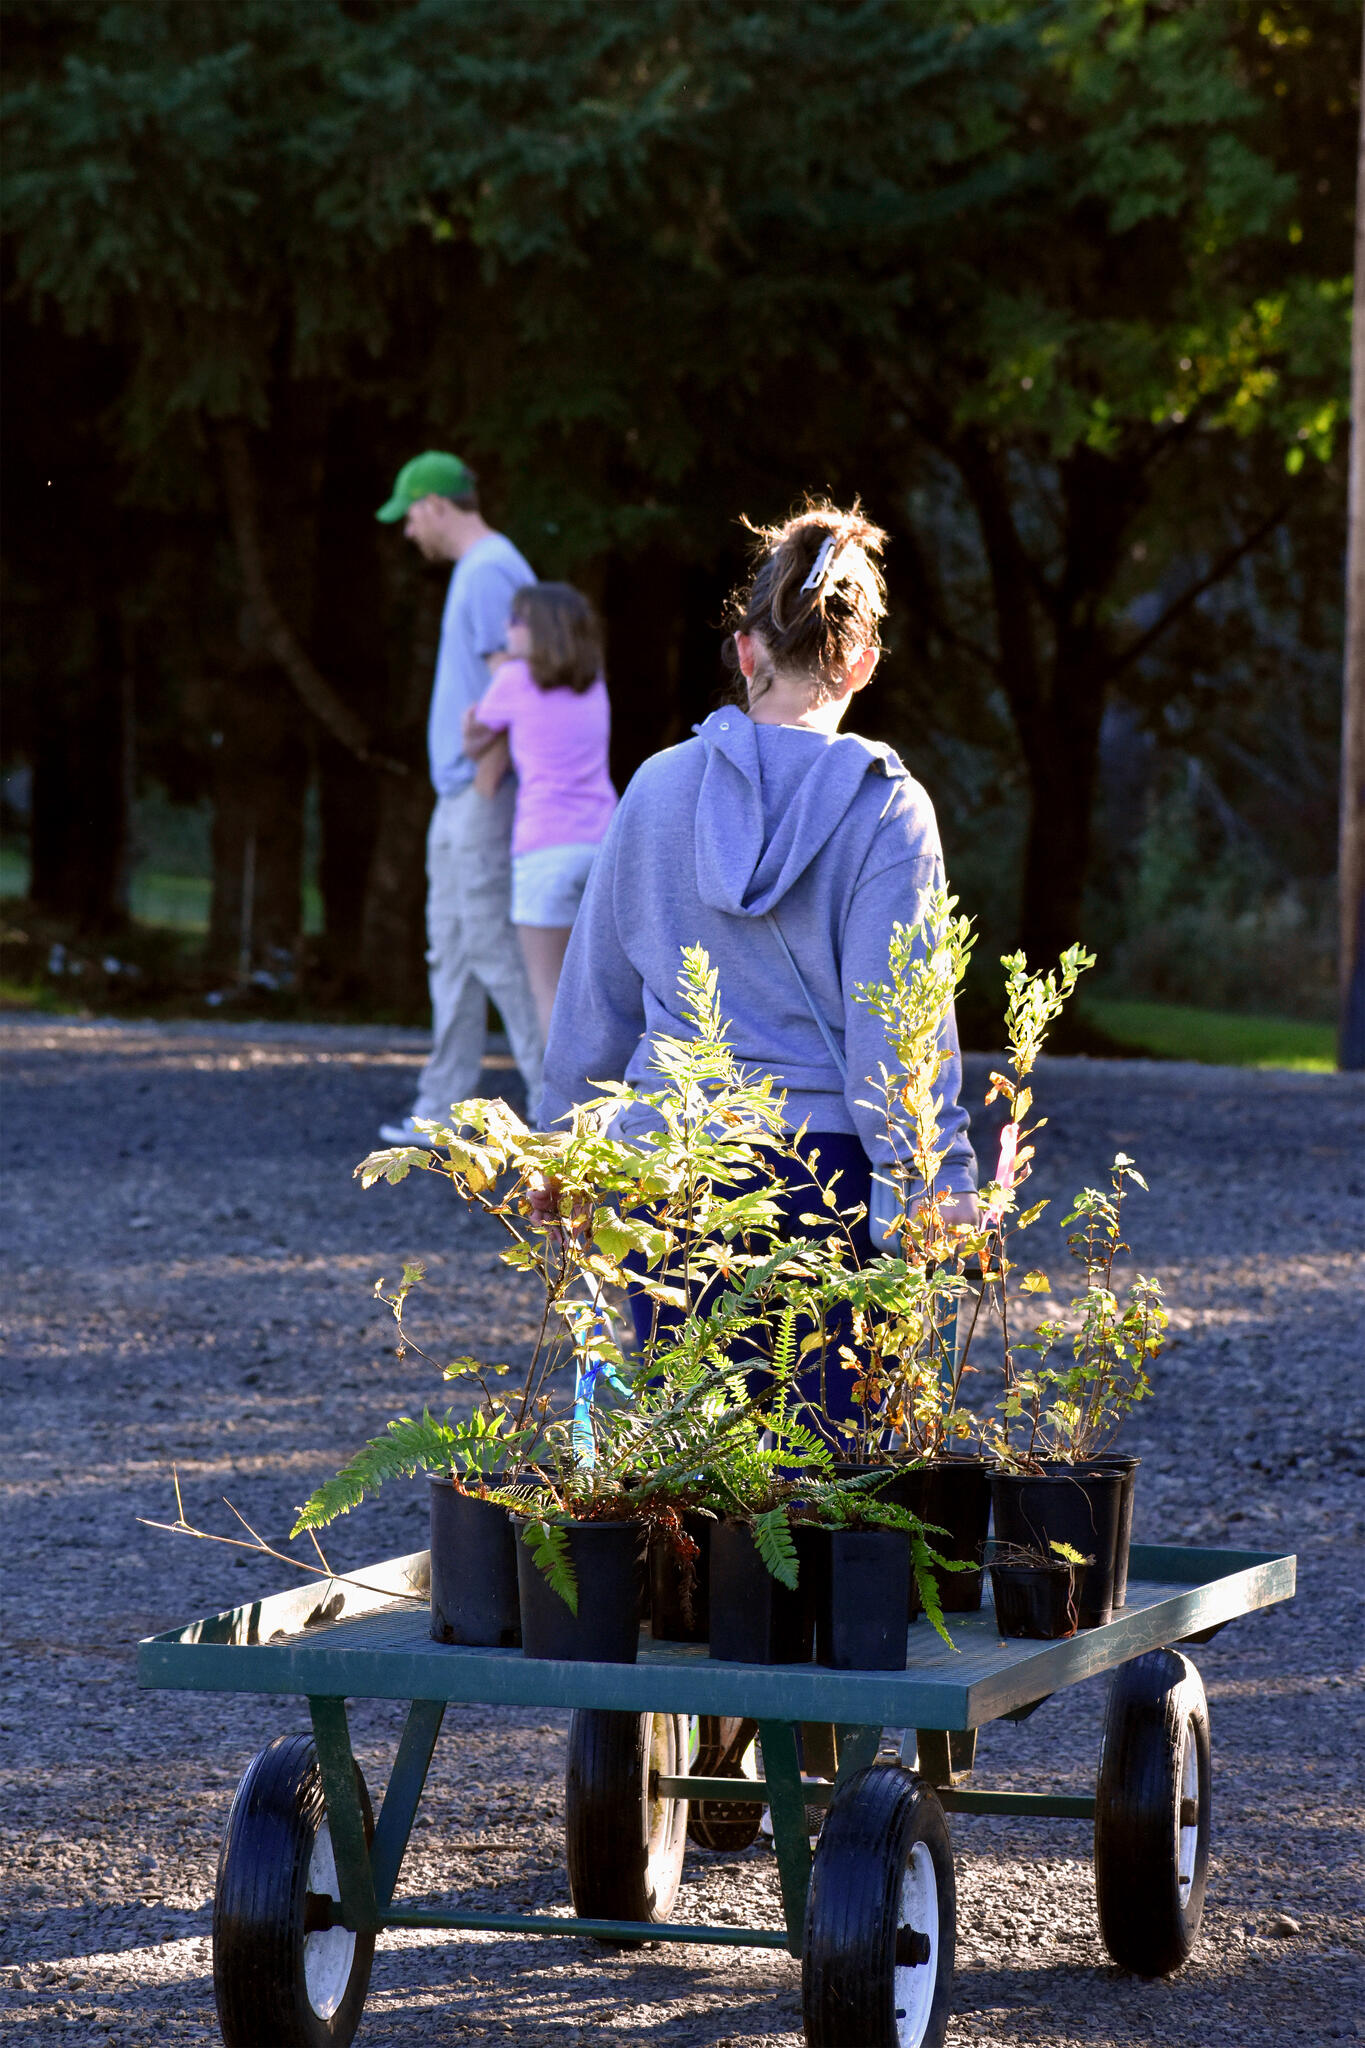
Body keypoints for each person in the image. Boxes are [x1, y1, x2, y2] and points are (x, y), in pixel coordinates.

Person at [537, 500, 978, 1410]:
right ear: (861, 660)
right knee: (823, 1491)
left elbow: (595, 998)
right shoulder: (887, 810)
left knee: (685, 1472)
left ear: (745, 650)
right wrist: (938, 1187)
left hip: (670, 1167)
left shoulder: (657, 788)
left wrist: (560, 1150)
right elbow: (899, 1033)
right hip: (827, 1182)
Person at [373, 451, 544, 1144]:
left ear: (436, 505)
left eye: (410, 515)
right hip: (459, 793)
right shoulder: (482, 572)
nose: (409, 531)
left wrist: (484, 780)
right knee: (451, 947)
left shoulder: (490, 572)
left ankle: (556, 1105)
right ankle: (442, 1108)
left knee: (493, 945)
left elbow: (517, 686)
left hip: (479, 793)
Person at [460, 582, 618, 1041]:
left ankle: (558, 1111)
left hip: (544, 848)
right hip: (601, 846)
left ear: (539, 629)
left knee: (549, 993)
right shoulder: (593, 681)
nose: (507, 628)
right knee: (595, 993)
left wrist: (470, 720)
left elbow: (474, 743)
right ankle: (612, 1106)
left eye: (516, 619)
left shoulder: (512, 679)